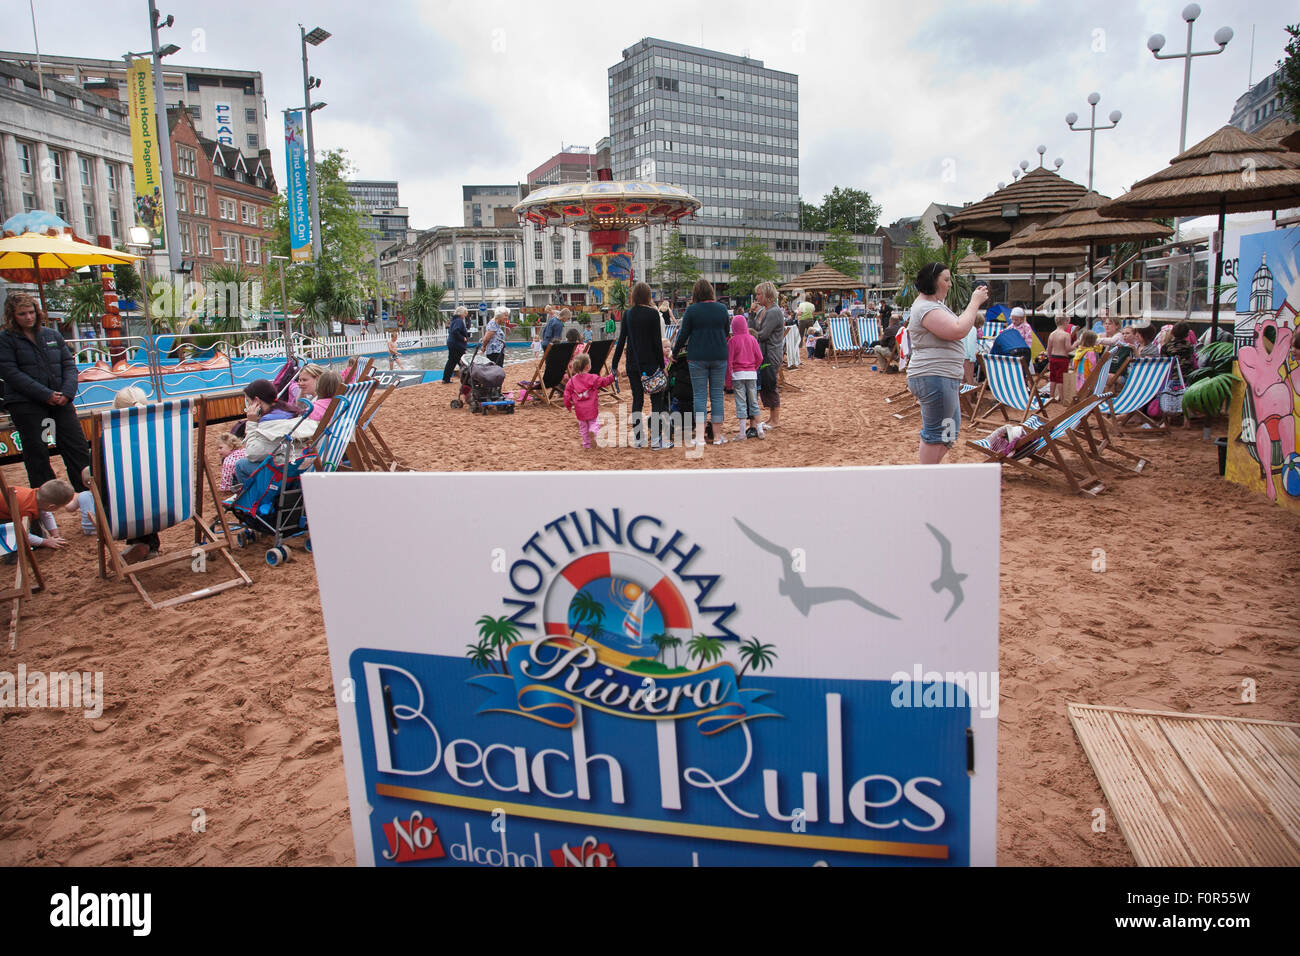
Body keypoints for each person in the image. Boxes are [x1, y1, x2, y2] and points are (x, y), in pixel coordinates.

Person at [0, 293, 92, 494]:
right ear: (12, 315)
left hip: (61, 402)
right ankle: (47, 499)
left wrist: (67, 393)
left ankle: (87, 492)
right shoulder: (5, 339)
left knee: (76, 446)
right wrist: (46, 394)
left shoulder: (52, 335)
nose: (28, 317)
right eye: (22, 314)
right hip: (27, 404)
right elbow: (10, 373)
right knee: (37, 451)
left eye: (31, 312)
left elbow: (69, 365)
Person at [906, 262, 989, 464]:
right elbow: (958, 329)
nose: (950, 284)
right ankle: (927, 477)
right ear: (932, 282)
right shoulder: (926, 308)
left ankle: (930, 471)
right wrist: (975, 302)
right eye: (946, 279)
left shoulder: (933, 305)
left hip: (943, 377)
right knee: (937, 433)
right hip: (934, 376)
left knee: (950, 431)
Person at [611, 281, 671, 449]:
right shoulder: (653, 314)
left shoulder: (628, 315)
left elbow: (621, 340)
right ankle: (656, 440)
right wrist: (663, 366)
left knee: (637, 400)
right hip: (651, 364)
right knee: (656, 401)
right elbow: (657, 344)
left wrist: (614, 364)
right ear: (648, 295)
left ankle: (638, 439)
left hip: (633, 364)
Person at [674, 278, 731, 445]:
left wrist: (675, 353)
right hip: (719, 355)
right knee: (717, 396)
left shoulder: (692, 310)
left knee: (699, 395)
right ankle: (718, 436)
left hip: (697, 357)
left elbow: (682, 335)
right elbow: (726, 332)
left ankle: (700, 437)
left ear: (695, 293)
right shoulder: (722, 309)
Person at [231, 379, 305, 487]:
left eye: (248, 401)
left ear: (256, 401)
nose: (248, 406)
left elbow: (253, 454)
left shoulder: (271, 422)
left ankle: (255, 501)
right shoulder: (290, 411)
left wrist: (251, 423)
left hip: (284, 473)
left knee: (241, 465)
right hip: (298, 466)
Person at [0, 478, 73, 552]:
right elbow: (22, 534)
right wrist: (46, 542)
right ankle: (12, 556)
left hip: (15, 509)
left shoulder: (38, 496)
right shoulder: (25, 509)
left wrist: (55, 535)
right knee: (13, 542)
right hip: (4, 515)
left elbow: (46, 515)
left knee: (37, 532)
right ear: (51, 506)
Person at [752, 281, 787, 431]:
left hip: (771, 353)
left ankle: (776, 419)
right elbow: (755, 329)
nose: (757, 297)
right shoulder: (765, 310)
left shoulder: (773, 312)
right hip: (766, 352)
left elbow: (763, 334)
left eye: (759, 294)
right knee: (766, 384)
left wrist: (751, 334)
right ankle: (772, 417)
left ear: (767, 295)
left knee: (770, 384)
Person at [562, 352, 614, 450]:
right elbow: (604, 382)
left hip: (580, 410)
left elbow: (566, 394)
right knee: (594, 423)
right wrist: (612, 376)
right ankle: (594, 431)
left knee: (583, 428)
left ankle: (587, 444)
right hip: (591, 408)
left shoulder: (571, 381)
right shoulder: (593, 378)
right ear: (587, 366)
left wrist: (568, 405)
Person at [727, 315, 764, 440]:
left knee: (741, 403)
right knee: (754, 402)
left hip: (738, 375)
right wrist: (754, 368)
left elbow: (729, 362)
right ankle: (760, 430)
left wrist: (728, 382)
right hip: (751, 374)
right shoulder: (752, 339)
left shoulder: (732, 341)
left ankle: (742, 433)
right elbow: (760, 357)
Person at [1046, 314, 1073, 403]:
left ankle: (1051, 396)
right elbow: (1068, 349)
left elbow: (1048, 349)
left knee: (1053, 378)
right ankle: (1062, 398)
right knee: (1060, 379)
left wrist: (1049, 360)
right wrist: (1076, 344)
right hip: (1062, 358)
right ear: (1065, 322)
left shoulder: (1052, 334)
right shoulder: (1066, 335)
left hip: (1053, 357)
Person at [444, 306, 469, 383]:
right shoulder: (459, 321)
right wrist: (463, 338)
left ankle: (446, 378)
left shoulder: (454, 320)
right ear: (462, 313)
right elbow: (455, 331)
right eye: (465, 314)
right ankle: (467, 378)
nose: (465, 316)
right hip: (457, 345)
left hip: (453, 343)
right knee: (463, 361)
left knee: (452, 361)